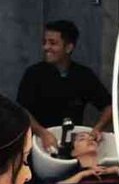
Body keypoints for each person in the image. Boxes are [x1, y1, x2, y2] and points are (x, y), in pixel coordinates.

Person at [17, 20, 113, 153]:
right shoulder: (34, 74)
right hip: (39, 145)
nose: (46, 47)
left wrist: (97, 129)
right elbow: (21, 111)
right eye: (44, 42)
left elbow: (109, 106)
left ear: (68, 48)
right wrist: (42, 133)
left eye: (53, 43)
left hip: (73, 146)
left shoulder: (83, 75)